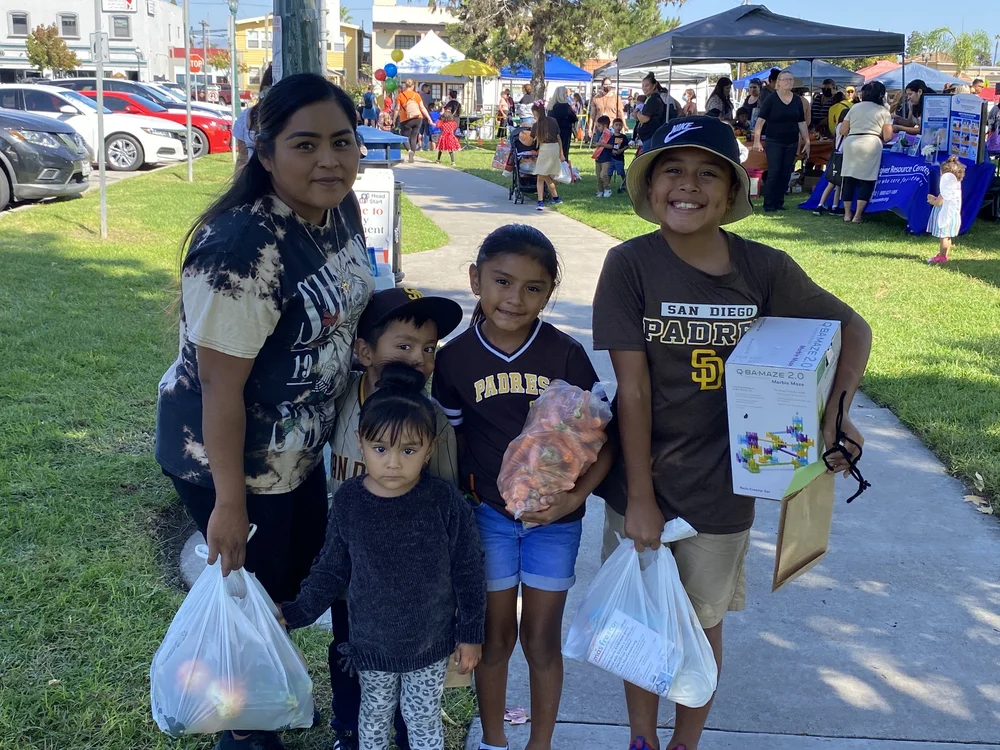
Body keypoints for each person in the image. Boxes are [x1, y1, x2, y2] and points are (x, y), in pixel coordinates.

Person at [593, 115, 872, 750]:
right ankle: (641, 740)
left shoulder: (764, 268)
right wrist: (639, 497)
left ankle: (685, 743)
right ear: (650, 184)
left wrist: (836, 412)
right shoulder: (630, 265)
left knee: (701, 619)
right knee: (639, 622)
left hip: (726, 489)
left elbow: (852, 328)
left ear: (730, 192)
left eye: (707, 173)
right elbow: (631, 390)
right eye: (672, 170)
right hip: (642, 481)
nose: (687, 186)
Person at [156, 73, 373, 750]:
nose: (328, 160)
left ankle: (292, 709)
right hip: (231, 461)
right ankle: (245, 733)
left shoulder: (338, 208)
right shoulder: (241, 250)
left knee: (301, 584)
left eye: (342, 141)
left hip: (299, 454)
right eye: (304, 144)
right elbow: (220, 392)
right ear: (265, 151)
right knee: (252, 605)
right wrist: (229, 504)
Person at [433, 224, 616, 750]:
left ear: (549, 293)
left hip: (556, 523)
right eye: (502, 281)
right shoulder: (454, 360)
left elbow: (604, 443)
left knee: (540, 640)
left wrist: (573, 500)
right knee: (495, 639)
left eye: (533, 288)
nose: (514, 298)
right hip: (488, 519)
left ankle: (540, 743)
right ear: (475, 279)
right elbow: (453, 446)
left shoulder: (564, 355)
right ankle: (494, 740)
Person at [280, 365, 486, 750]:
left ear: (429, 447)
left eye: (408, 450)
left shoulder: (443, 502)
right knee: (373, 717)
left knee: (422, 719)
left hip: (430, 644)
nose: (393, 462)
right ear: (361, 443)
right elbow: (331, 568)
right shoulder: (349, 501)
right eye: (381, 449)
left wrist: (470, 635)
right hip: (371, 644)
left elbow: (469, 570)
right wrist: (297, 612)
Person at [323, 287, 463, 750]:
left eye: (428, 349)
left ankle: (410, 734)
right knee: (349, 652)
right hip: (354, 569)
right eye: (402, 346)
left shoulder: (433, 423)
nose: (418, 359)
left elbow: (447, 505)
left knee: (414, 668)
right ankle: (349, 730)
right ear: (364, 351)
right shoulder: (341, 399)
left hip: (413, 589)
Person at [752, 68, 808, 212]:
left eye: (791, 79)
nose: (789, 82)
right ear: (779, 82)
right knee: (774, 172)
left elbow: (801, 122)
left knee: (785, 173)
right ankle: (769, 204)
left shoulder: (797, 100)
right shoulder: (771, 99)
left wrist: (807, 141)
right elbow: (760, 121)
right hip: (774, 141)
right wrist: (757, 141)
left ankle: (779, 202)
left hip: (792, 141)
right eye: (786, 80)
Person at [839, 81, 894, 224]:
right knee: (867, 180)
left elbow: (842, 130)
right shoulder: (883, 111)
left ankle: (846, 214)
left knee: (848, 178)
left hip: (851, 142)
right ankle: (857, 215)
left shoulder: (855, 107)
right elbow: (888, 137)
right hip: (871, 142)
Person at [233, 63, 273, 169]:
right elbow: (242, 158)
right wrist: (240, 184)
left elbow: (242, 158)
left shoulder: (248, 116)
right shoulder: (248, 117)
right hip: (257, 180)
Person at [926, 156, 965, 264]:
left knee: (943, 236)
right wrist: (936, 198)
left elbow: (939, 202)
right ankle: (944, 255)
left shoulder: (947, 186)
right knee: (947, 236)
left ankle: (942, 256)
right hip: (953, 214)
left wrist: (932, 201)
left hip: (945, 215)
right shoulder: (956, 185)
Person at [529, 103, 564, 211]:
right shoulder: (553, 121)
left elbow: (530, 141)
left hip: (545, 150)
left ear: (535, 112)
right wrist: (561, 153)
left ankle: (541, 202)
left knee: (541, 176)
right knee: (544, 176)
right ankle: (556, 197)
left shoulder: (536, 125)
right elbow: (559, 138)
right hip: (554, 148)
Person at [395, 79, 432, 163]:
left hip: (406, 119)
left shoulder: (400, 95)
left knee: (404, 136)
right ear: (413, 86)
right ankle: (413, 155)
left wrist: (394, 119)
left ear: (405, 85)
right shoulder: (417, 95)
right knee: (414, 136)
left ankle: (409, 151)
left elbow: (397, 109)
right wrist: (429, 118)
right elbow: (422, 108)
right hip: (418, 118)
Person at [634, 73, 667, 154]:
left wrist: (638, 113)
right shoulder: (649, 99)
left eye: (647, 85)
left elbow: (645, 118)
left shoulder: (654, 99)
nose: (644, 88)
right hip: (647, 137)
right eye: (643, 86)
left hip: (651, 136)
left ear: (654, 85)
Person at [549, 85, 579, 165]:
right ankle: (563, 169)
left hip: (553, 133)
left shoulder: (551, 107)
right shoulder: (566, 107)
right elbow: (574, 118)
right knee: (564, 152)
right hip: (565, 132)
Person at [592, 115, 614, 198]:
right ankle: (600, 190)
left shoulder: (610, 134)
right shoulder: (600, 134)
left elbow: (611, 146)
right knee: (598, 176)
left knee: (603, 175)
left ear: (605, 126)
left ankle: (607, 189)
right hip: (599, 158)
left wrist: (601, 144)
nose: (598, 128)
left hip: (606, 158)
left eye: (599, 126)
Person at [610, 117, 630, 193]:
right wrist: (611, 150)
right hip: (611, 158)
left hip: (620, 158)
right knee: (609, 172)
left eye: (620, 125)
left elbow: (627, 145)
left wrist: (621, 150)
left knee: (621, 172)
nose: (618, 127)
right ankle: (607, 185)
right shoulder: (611, 137)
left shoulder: (623, 137)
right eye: (616, 125)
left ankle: (625, 183)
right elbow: (607, 145)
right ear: (613, 126)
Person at [420, 84, 435, 150]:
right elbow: (432, 105)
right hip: (427, 115)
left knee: (420, 131)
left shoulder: (419, 96)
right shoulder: (429, 97)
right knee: (426, 132)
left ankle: (419, 145)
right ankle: (425, 146)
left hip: (420, 115)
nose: (429, 90)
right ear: (425, 89)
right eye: (428, 88)